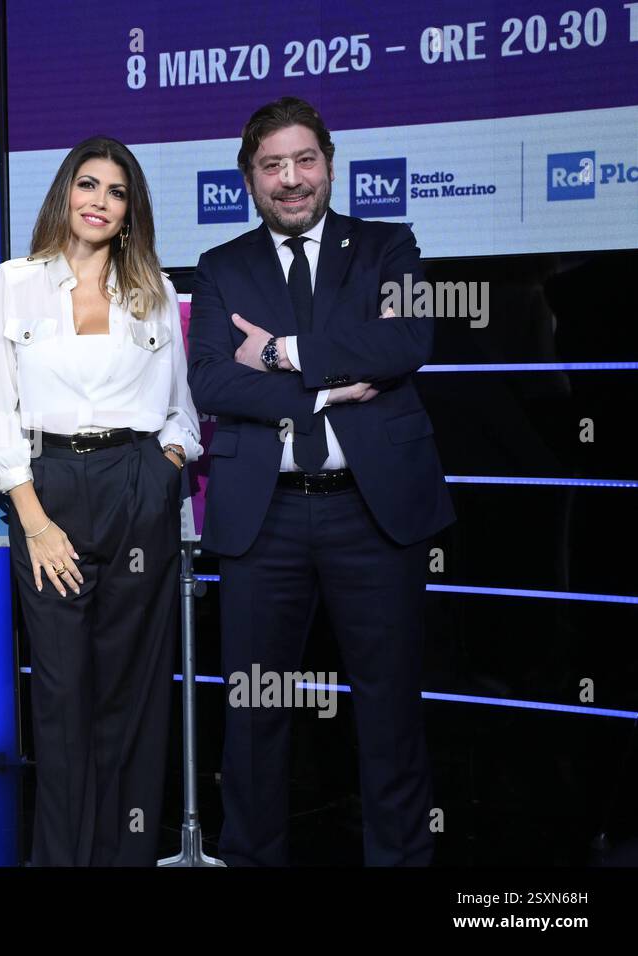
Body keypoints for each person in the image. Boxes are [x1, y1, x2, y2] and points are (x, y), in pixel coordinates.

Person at [187, 97, 455, 866]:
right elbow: (209, 380)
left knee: (390, 713)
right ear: (249, 178)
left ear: (329, 165)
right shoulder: (221, 267)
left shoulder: (386, 246)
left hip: (374, 516)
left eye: (304, 160)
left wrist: (282, 354)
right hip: (262, 519)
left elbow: (405, 339)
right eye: (272, 166)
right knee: (254, 718)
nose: (291, 179)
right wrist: (327, 384)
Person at [0, 136, 202, 866]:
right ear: (65, 195)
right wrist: (32, 522)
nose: (100, 201)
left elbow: (181, 414)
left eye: (116, 190)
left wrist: (162, 471)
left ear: (131, 208)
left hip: (137, 484)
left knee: (132, 697)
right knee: (61, 698)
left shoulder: (154, 289)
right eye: (88, 185)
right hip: (49, 491)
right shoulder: (16, 280)